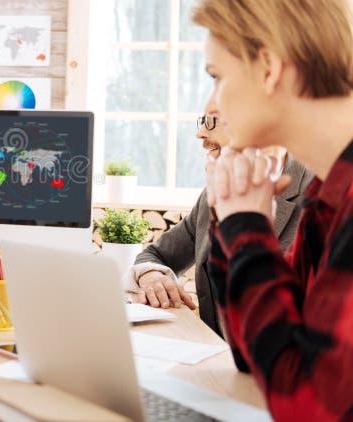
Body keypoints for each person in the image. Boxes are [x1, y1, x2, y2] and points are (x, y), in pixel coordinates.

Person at [195, 0, 353, 420]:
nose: (215, 103)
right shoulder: (329, 197)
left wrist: (247, 229)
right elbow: (261, 358)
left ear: (268, 67)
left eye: (216, 76)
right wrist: (241, 219)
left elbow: (309, 408)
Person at [128, 102, 311, 335]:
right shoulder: (214, 194)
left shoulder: (320, 195)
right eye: (202, 120)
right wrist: (151, 275)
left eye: (212, 121)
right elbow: (155, 255)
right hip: (221, 359)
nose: (200, 133)